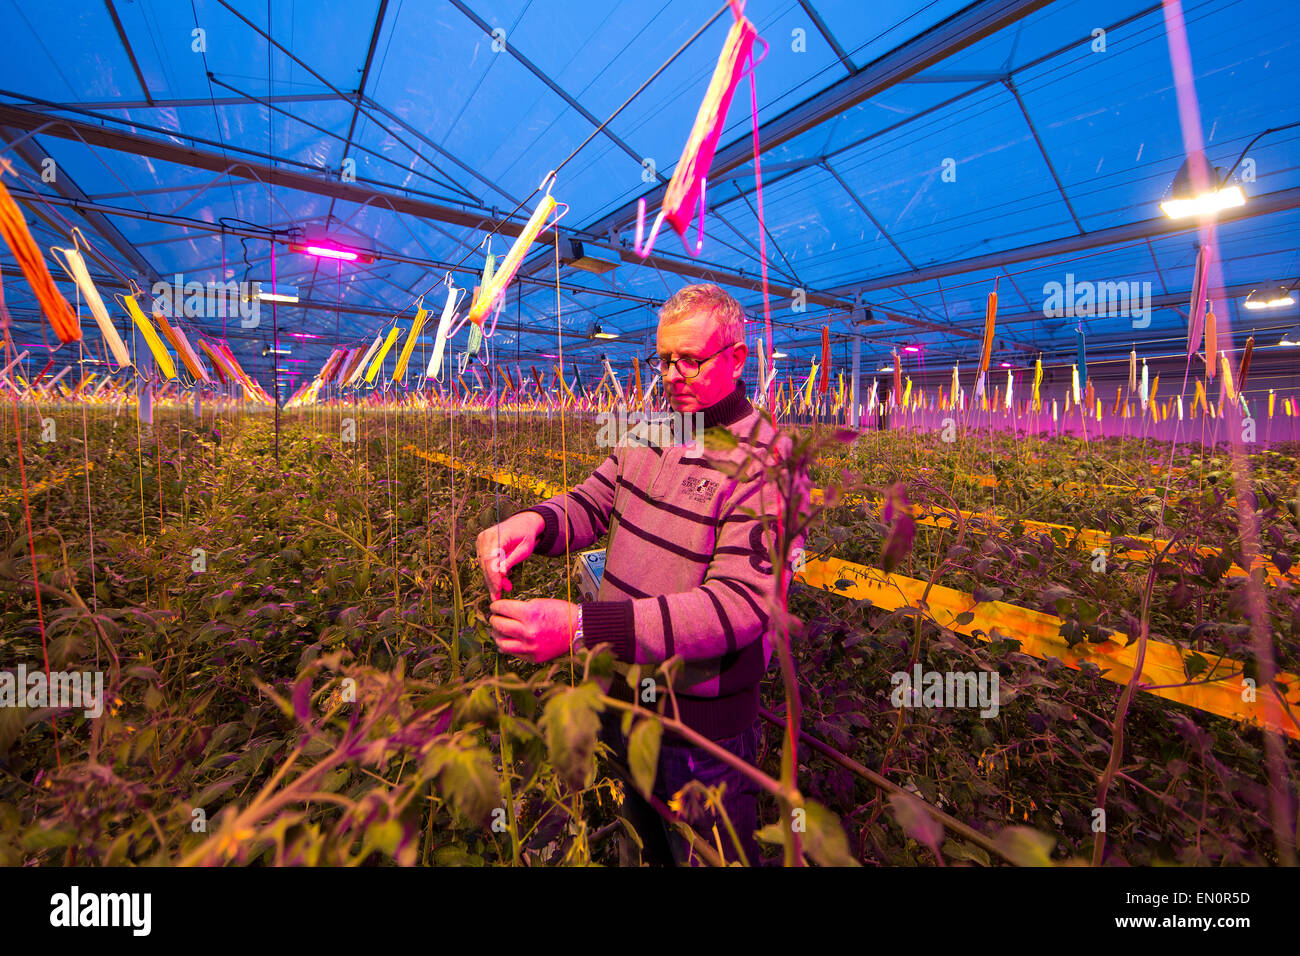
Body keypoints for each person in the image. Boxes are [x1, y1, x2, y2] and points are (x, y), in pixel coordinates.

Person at [477, 283, 809, 866]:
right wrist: (533, 522)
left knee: (709, 855)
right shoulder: (653, 432)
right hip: (623, 702)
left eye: (692, 359)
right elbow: (594, 501)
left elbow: (736, 607)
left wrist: (581, 628)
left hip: (697, 735)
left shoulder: (770, 464)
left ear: (736, 358)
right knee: (640, 848)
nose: (674, 374)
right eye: (665, 359)